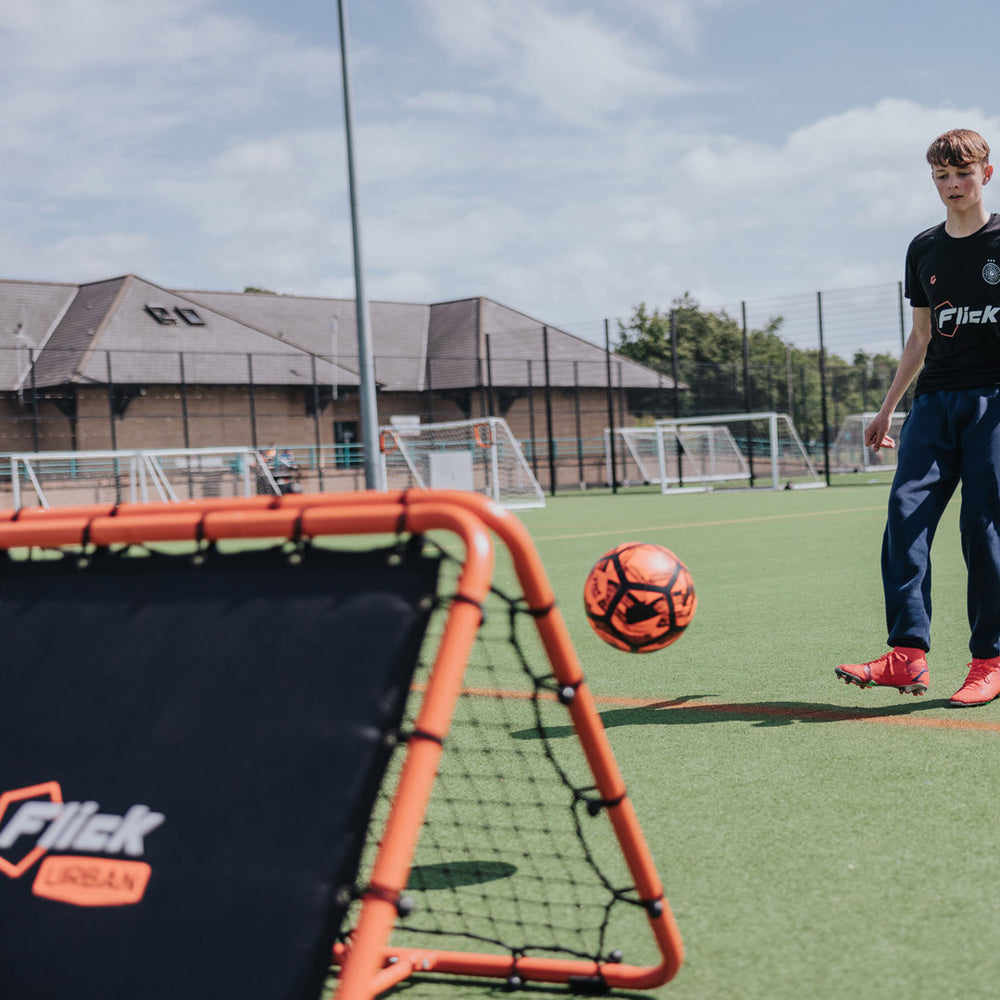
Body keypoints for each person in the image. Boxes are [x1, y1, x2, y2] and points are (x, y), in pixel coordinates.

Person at [836, 128, 1000, 708]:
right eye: (941, 175)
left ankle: (989, 661)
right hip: (932, 402)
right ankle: (906, 655)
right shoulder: (923, 248)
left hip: (993, 400)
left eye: (962, 173)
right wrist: (888, 410)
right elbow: (920, 337)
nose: (952, 184)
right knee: (904, 517)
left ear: (985, 174)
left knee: (982, 528)